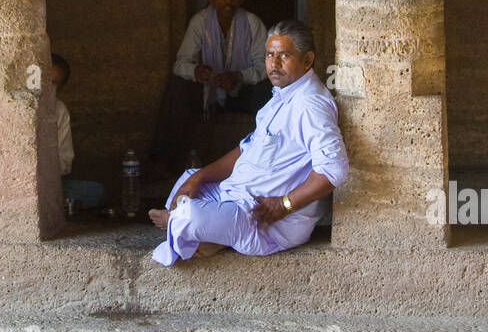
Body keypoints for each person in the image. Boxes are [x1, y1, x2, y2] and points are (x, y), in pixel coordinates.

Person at [149, 19, 348, 265]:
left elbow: (334, 170)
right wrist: (197, 178)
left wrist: (283, 205)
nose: (273, 64)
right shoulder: (281, 96)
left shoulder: (310, 104)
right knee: (189, 179)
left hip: (262, 219)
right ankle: (205, 234)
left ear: (307, 60)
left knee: (189, 214)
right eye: (269, 55)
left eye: (284, 55)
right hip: (237, 195)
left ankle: (193, 230)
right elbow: (246, 149)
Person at [150, 0, 269, 170]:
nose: (228, 0)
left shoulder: (252, 23)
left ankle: (264, 162)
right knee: (176, 86)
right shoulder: (201, 22)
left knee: (268, 89)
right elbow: (180, 64)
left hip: (240, 93)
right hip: (208, 94)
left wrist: (238, 76)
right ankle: (161, 162)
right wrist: (196, 71)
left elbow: (264, 67)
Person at [51, 54, 105, 211]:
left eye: (54, 83)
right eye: (43, 79)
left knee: (96, 192)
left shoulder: (59, 110)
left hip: (47, 185)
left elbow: (65, 161)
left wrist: (46, 169)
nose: (47, 86)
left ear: (60, 88)